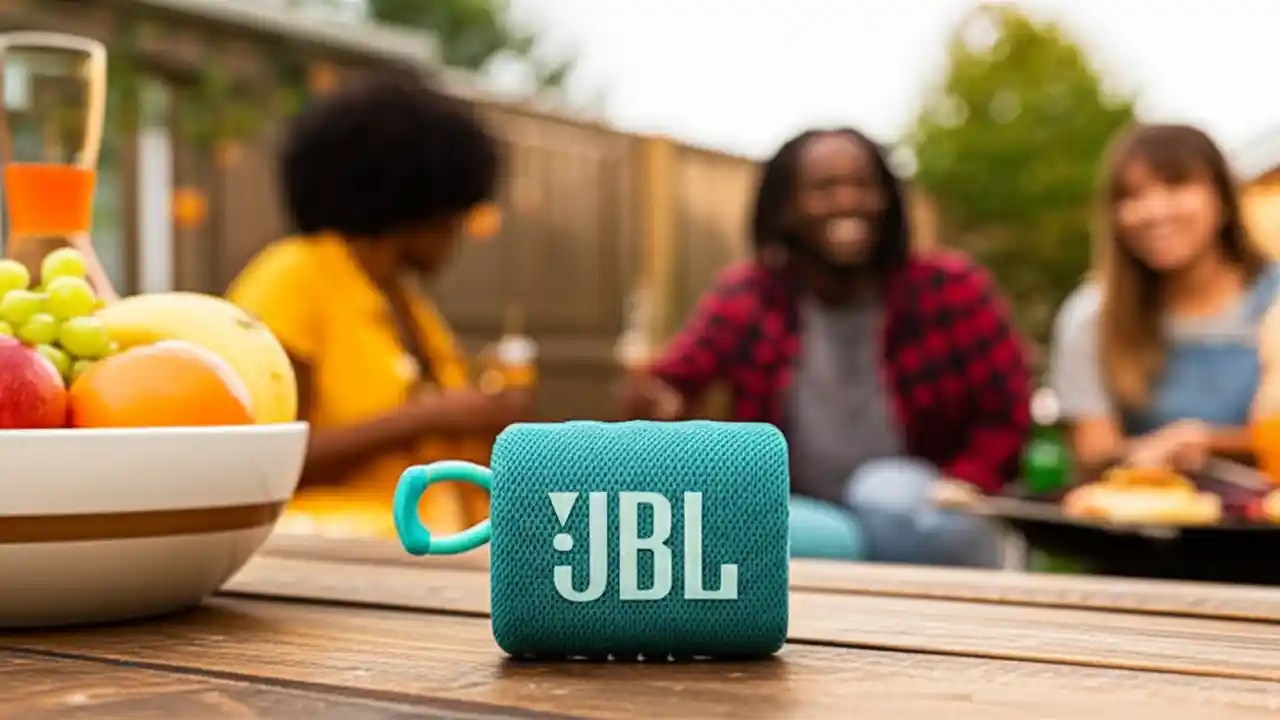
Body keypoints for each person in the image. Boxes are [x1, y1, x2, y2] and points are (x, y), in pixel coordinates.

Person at [622, 128, 1031, 567]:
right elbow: (673, 384)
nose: (847, 201)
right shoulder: (749, 297)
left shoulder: (950, 288)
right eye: (824, 189)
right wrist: (659, 401)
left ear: (887, 200)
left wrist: (968, 480)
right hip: (812, 518)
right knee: (807, 536)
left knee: (883, 493)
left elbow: (1007, 410)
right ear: (785, 209)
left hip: (926, 512)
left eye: (863, 186)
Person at [227, 74, 531, 537]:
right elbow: (261, 465)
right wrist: (431, 417)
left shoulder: (407, 303)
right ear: (415, 198)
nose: (461, 229)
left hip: (436, 553)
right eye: (454, 213)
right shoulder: (293, 276)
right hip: (333, 560)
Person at [1050, 123, 1278, 475]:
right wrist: (1156, 454)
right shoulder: (1092, 315)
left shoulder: (1273, 302)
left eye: (1175, 185)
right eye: (1131, 195)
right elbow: (1094, 453)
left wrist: (1210, 442)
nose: (1154, 210)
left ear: (1223, 199)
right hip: (1142, 517)